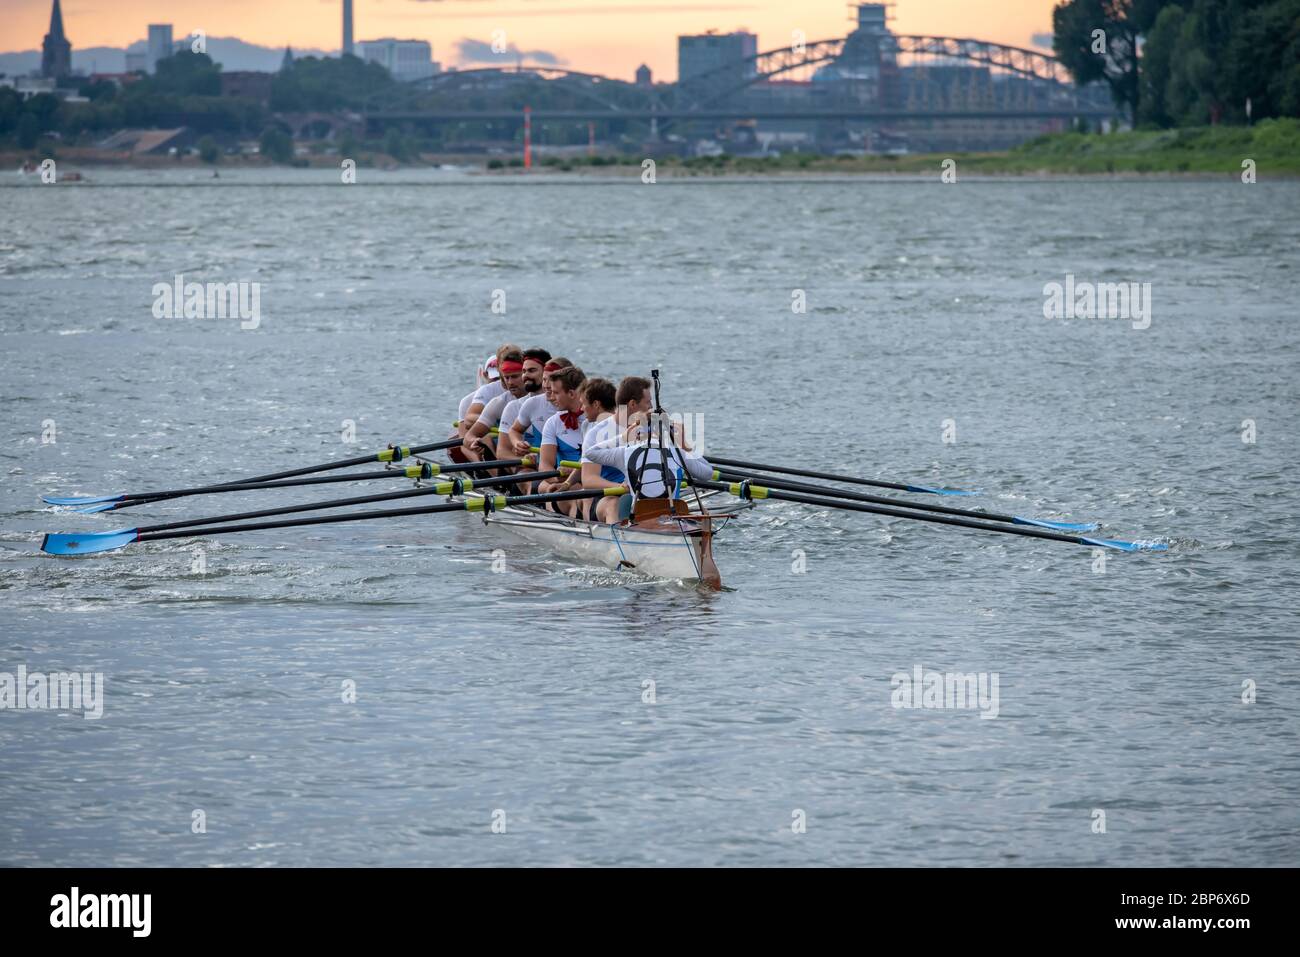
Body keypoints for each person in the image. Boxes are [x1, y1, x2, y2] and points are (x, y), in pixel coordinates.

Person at [581, 412, 713, 524]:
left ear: (639, 432)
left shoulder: (625, 453)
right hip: (672, 516)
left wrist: (623, 437)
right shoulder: (678, 453)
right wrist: (685, 446)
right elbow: (708, 473)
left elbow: (590, 453)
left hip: (640, 517)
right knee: (704, 514)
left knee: (626, 500)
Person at [579, 376, 652, 523]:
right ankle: (620, 541)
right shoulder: (597, 433)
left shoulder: (651, 428)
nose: (651, 406)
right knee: (613, 505)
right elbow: (588, 479)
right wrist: (619, 486)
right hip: (609, 495)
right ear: (632, 404)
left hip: (644, 494)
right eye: (648, 402)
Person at [462, 348, 549, 464]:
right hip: (520, 461)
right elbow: (470, 435)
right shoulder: (500, 403)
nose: (510, 382)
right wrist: (474, 441)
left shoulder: (555, 400)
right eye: (506, 378)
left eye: (515, 377)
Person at [536, 365, 587, 510]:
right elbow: (545, 465)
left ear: (571, 394)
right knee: (547, 487)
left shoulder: (595, 418)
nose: (551, 397)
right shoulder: (553, 422)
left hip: (592, 480)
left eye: (556, 392)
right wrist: (560, 481)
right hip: (567, 482)